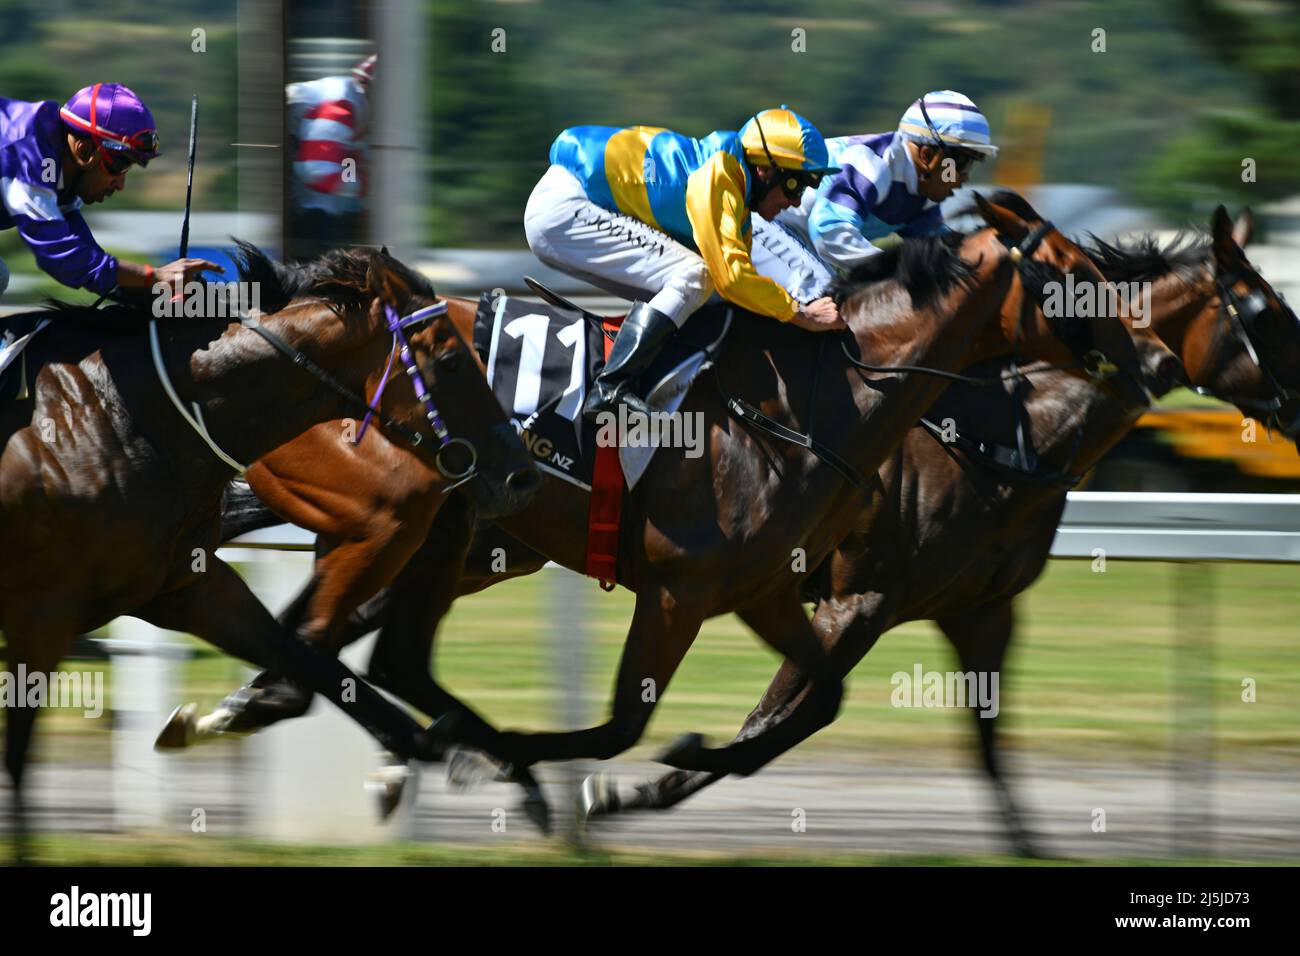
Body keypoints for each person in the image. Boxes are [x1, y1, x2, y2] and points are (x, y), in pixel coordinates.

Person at [524, 107, 845, 421]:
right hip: (567, 208)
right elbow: (732, 279)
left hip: (573, 208)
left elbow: (738, 287)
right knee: (695, 275)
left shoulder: (738, 198)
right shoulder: (718, 176)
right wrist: (802, 315)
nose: (797, 201)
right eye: (795, 185)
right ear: (765, 169)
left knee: (704, 288)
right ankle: (611, 385)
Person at [750, 91, 999, 302]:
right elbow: (829, 235)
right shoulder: (871, 165)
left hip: (806, 247)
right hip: (766, 225)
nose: (964, 177)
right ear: (926, 155)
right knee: (824, 295)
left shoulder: (922, 196)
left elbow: (940, 254)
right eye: (962, 163)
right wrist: (896, 269)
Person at [0, 82, 219, 303]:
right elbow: (60, 254)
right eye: (118, 166)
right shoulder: (29, 154)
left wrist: (152, 292)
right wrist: (152, 277)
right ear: (84, 150)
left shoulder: (59, 161)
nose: (120, 184)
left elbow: (87, 255)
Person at [285, 54, 374, 258]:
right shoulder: (341, 103)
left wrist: (358, 182)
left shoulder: (349, 100)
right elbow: (318, 171)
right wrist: (367, 186)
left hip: (310, 211)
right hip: (308, 218)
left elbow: (347, 164)